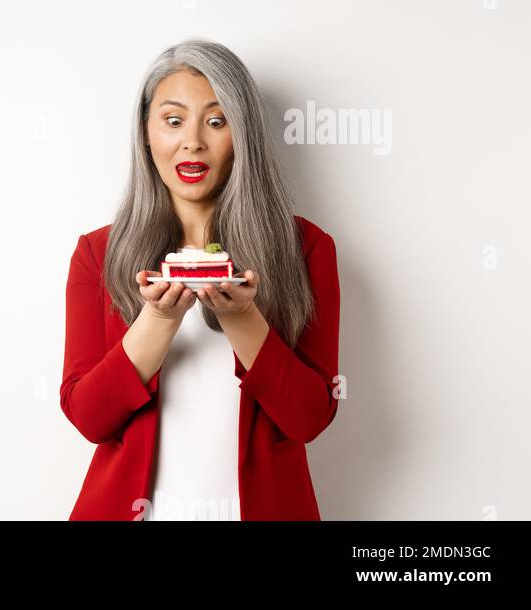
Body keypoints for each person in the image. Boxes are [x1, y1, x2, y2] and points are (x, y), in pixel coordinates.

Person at [60, 39, 341, 520]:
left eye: (216, 121)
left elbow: (309, 417)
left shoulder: (307, 248)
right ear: (146, 133)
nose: (193, 141)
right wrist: (158, 319)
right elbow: (88, 417)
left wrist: (241, 316)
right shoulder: (98, 253)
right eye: (173, 121)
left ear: (244, 134)